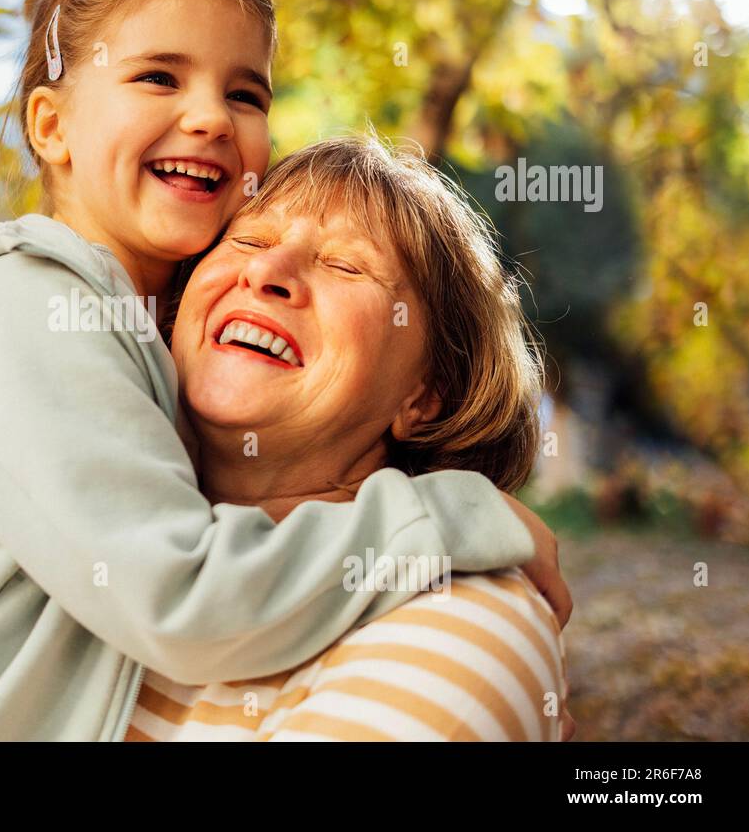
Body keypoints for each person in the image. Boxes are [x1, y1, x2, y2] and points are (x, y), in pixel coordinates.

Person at [0, 0, 567, 742]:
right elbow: (177, 595)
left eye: (244, 92)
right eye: (159, 78)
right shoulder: (30, 306)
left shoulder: (132, 351)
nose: (208, 116)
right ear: (50, 125)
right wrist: (446, 517)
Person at [126, 135, 571, 741]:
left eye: (346, 264)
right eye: (250, 239)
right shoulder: (84, 541)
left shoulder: (462, 626)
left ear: (425, 394)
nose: (266, 271)